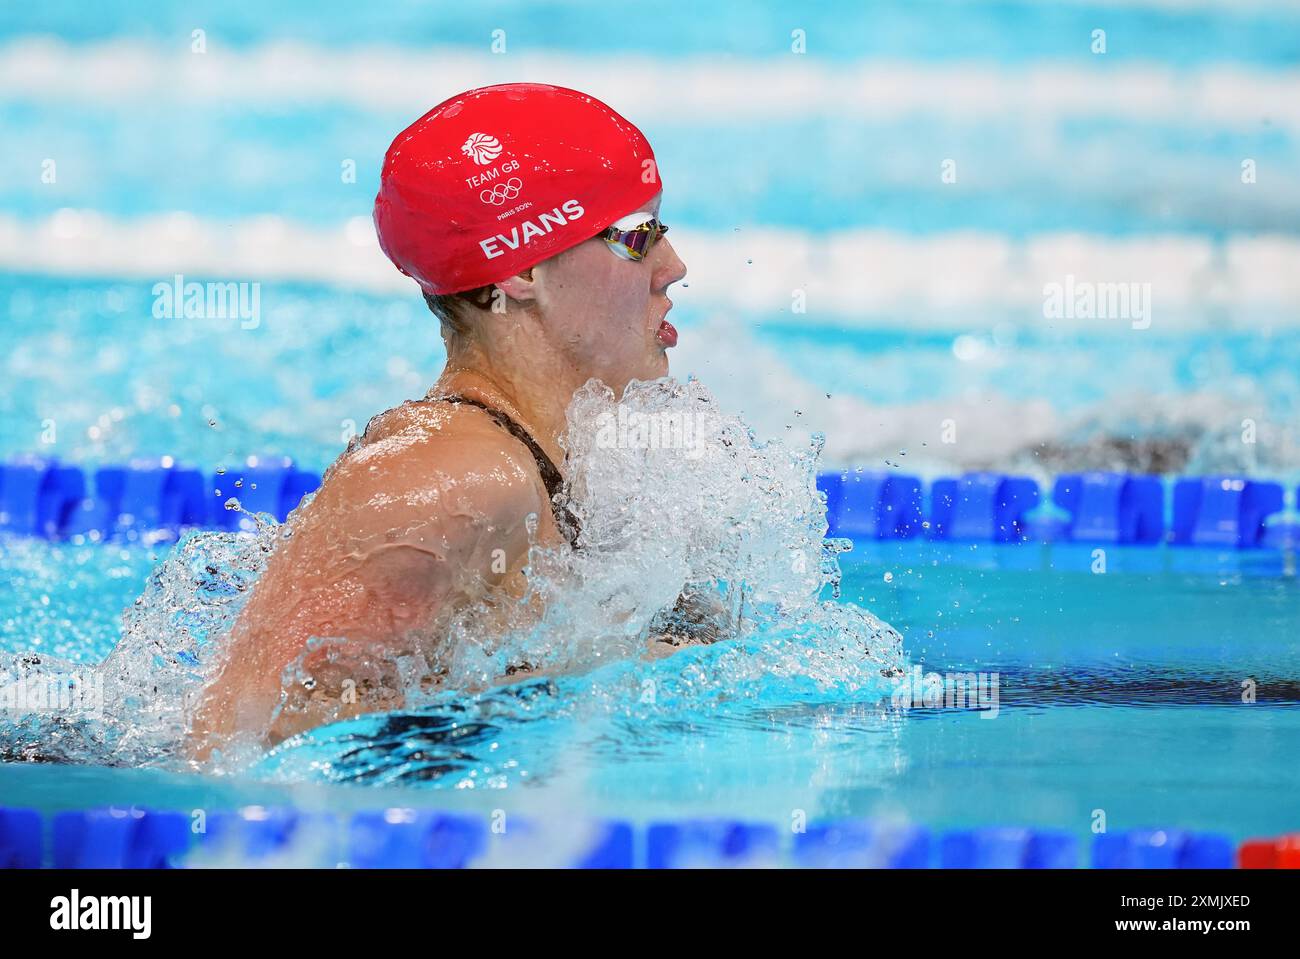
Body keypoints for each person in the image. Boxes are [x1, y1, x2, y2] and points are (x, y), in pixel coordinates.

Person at [188, 83, 691, 756]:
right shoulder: (452, 478)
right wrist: (586, 679)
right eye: (635, 235)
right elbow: (237, 743)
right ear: (520, 270)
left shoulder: (543, 459)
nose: (672, 266)